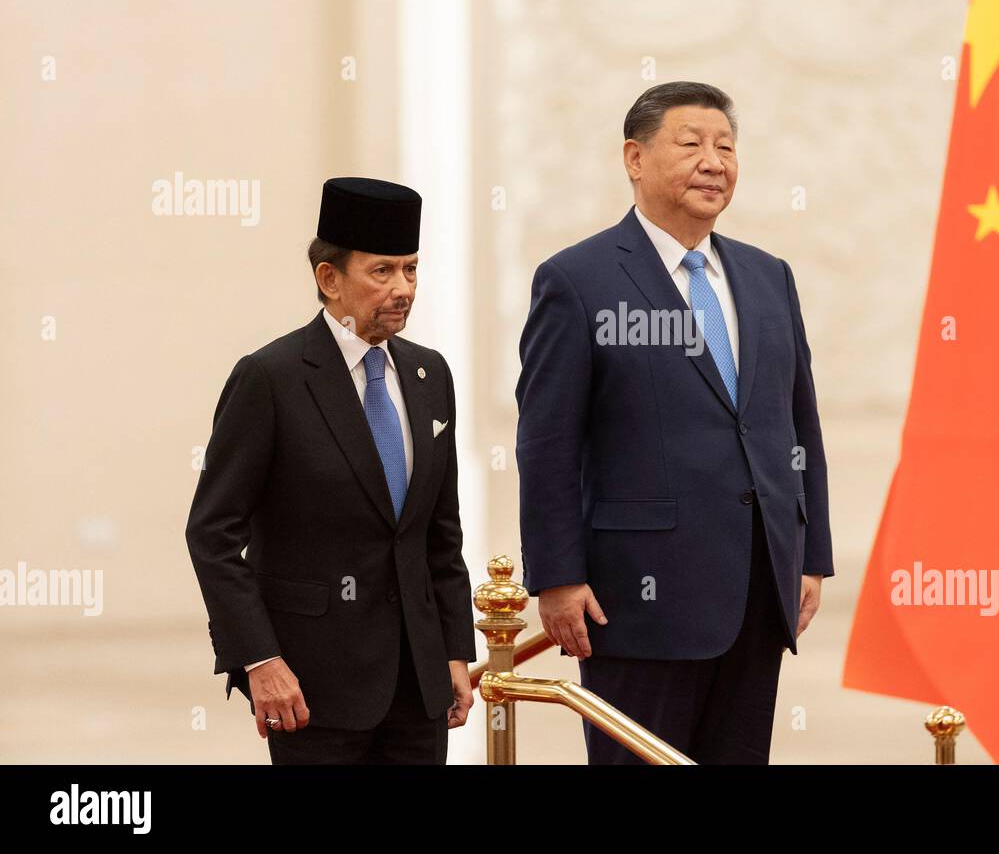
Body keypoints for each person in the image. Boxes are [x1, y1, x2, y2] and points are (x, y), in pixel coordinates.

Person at [515, 82, 833, 764]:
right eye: (690, 144)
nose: (713, 161)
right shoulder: (578, 279)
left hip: (757, 589)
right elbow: (547, 442)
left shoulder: (767, 275)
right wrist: (557, 576)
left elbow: (798, 424)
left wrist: (810, 552)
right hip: (636, 600)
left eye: (726, 146)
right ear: (634, 158)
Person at [186, 176, 476, 764]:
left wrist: (453, 649)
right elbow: (212, 535)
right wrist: (260, 660)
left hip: (417, 688)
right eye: (383, 272)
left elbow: (439, 534)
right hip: (310, 687)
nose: (403, 289)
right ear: (329, 279)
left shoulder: (430, 375)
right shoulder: (271, 378)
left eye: (411, 270)